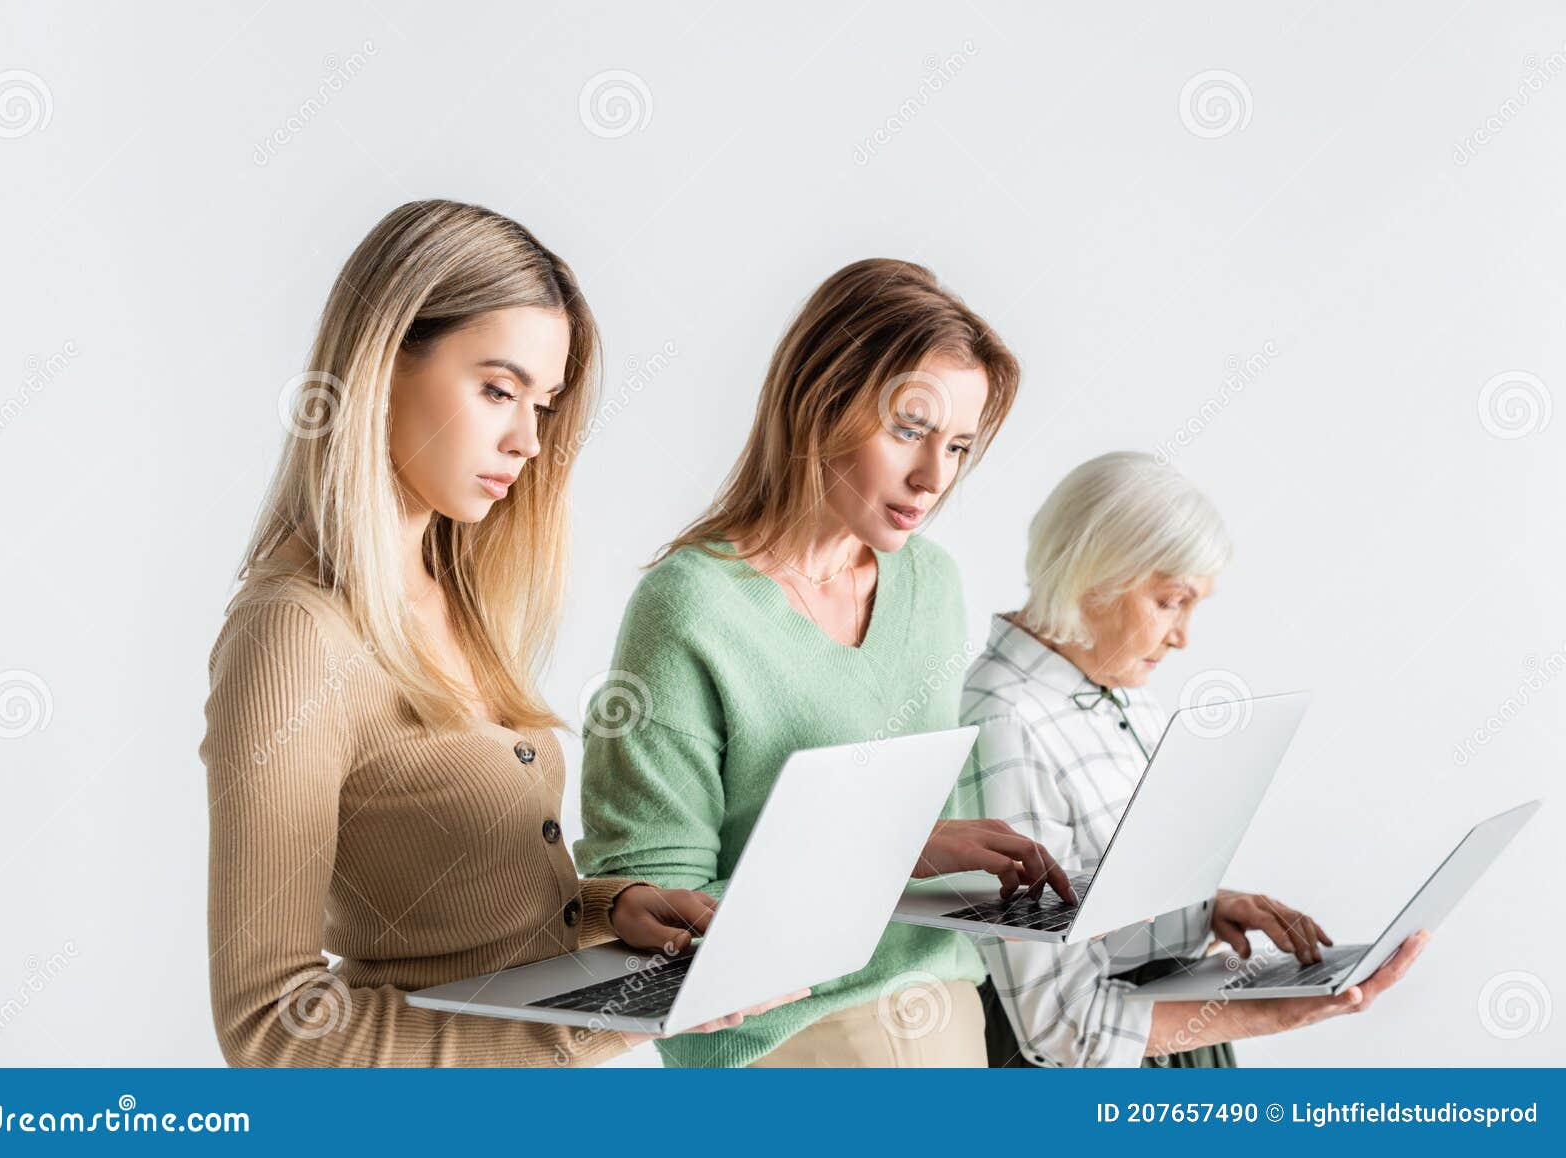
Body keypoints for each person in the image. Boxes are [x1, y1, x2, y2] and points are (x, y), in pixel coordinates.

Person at [200, 199, 797, 1067]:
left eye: (542, 404)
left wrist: (608, 910)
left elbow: (460, 928)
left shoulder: (454, 593)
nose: (528, 441)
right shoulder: (294, 636)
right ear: (381, 363)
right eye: (497, 390)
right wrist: (605, 1018)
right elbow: (270, 1028)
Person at [575, 258, 1074, 1068]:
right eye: (908, 430)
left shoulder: (931, 583)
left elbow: (932, 865)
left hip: (949, 1020)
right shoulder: (691, 609)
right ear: (820, 402)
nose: (934, 477)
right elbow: (664, 926)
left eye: (956, 446)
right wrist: (896, 851)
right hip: (782, 1044)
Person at [960, 450, 1427, 1068]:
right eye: (1170, 601)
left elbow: (1096, 907)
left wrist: (1201, 910)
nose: (1183, 637)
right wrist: (1282, 1012)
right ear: (1091, 576)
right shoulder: (1004, 724)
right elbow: (1057, 1026)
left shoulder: (1118, 688)